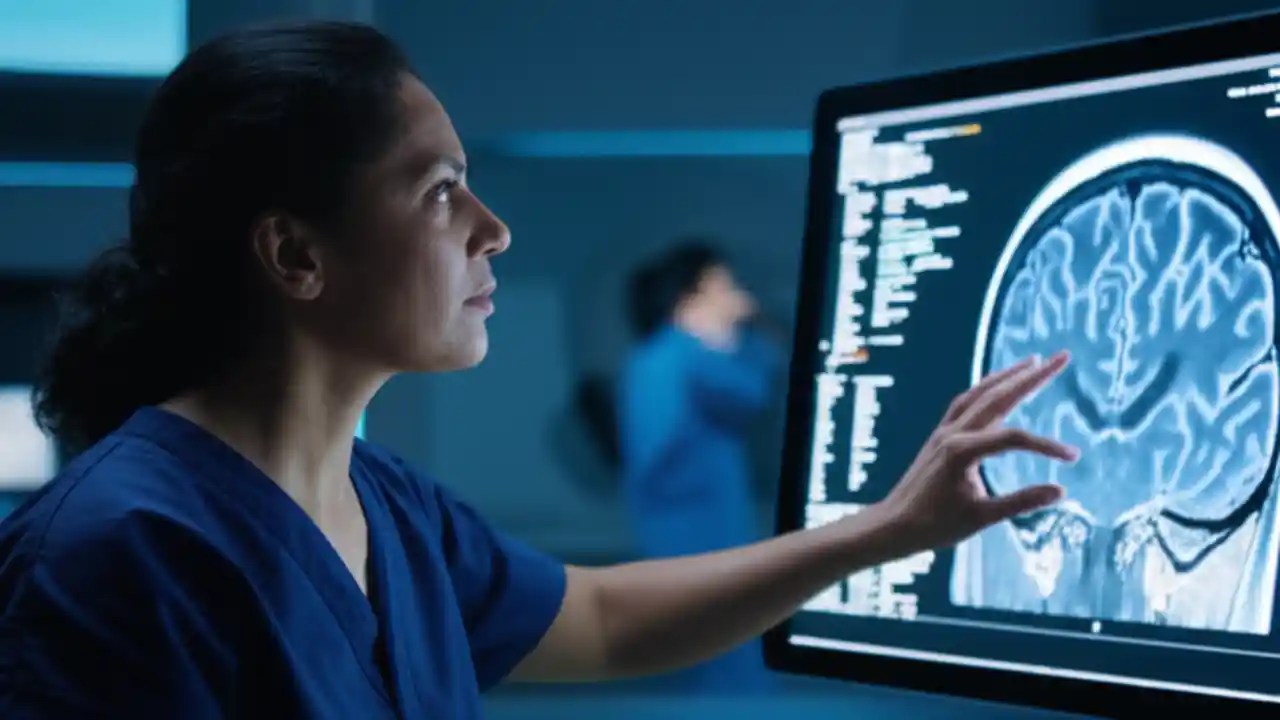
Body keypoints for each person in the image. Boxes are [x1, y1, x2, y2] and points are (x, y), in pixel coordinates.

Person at [0, 21, 1079, 718]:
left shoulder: (389, 508)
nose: (494, 229)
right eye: (438, 191)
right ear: (295, 253)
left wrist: (886, 529)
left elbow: (603, 622)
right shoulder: (116, 558)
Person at [615, 241, 783, 692]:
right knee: (729, 666)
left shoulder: (651, 358)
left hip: (671, 533)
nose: (736, 297)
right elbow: (754, 393)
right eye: (726, 286)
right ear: (695, 295)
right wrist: (750, 331)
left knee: (700, 658)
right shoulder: (690, 358)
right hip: (705, 536)